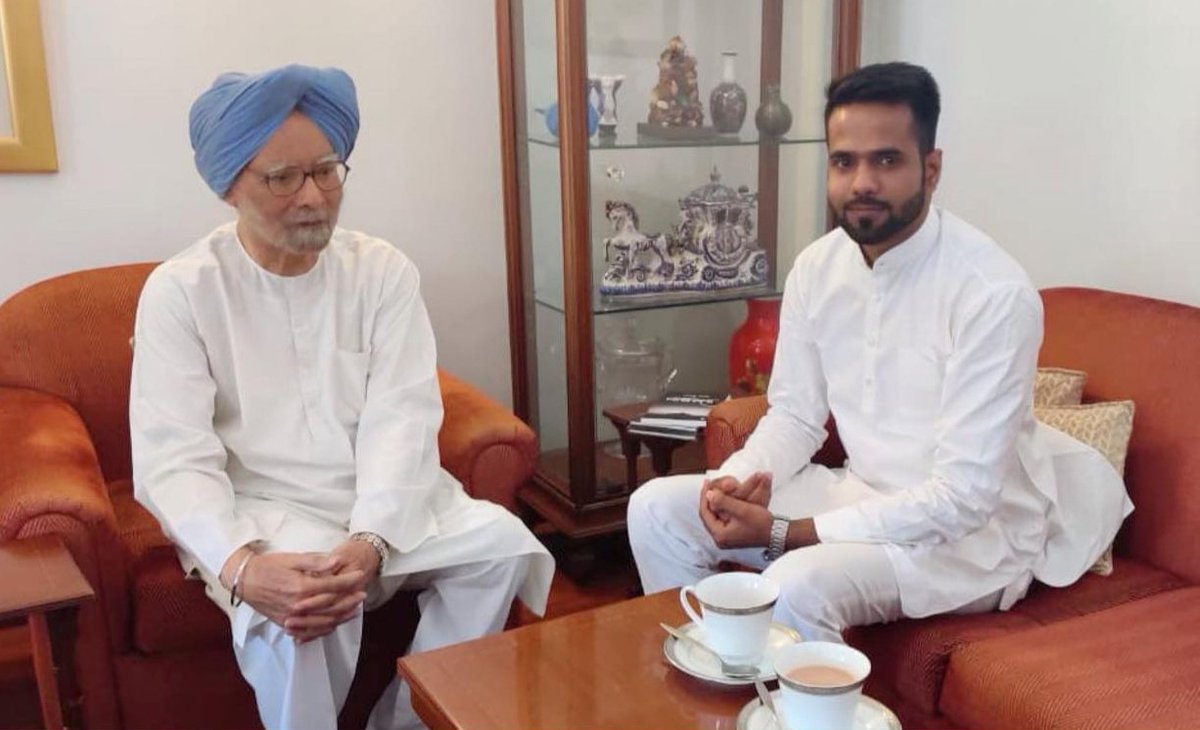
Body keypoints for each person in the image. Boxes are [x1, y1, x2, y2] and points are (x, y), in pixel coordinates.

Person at [627, 62, 1131, 642]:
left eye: (886, 160)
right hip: (858, 494)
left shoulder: (992, 293)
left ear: (931, 169)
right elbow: (795, 416)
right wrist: (734, 483)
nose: (862, 182)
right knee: (655, 510)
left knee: (795, 585)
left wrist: (786, 533)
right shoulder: (817, 268)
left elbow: (962, 499)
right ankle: (715, 675)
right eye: (844, 162)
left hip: (969, 542)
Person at [130, 64, 554, 730]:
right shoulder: (181, 292)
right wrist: (241, 568)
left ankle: (407, 724)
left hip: (384, 504)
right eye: (283, 178)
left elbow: (403, 416)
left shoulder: (382, 272)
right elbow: (172, 457)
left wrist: (372, 540)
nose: (314, 197)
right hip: (269, 509)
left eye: (327, 171)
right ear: (230, 186)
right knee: (304, 615)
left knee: (502, 548)